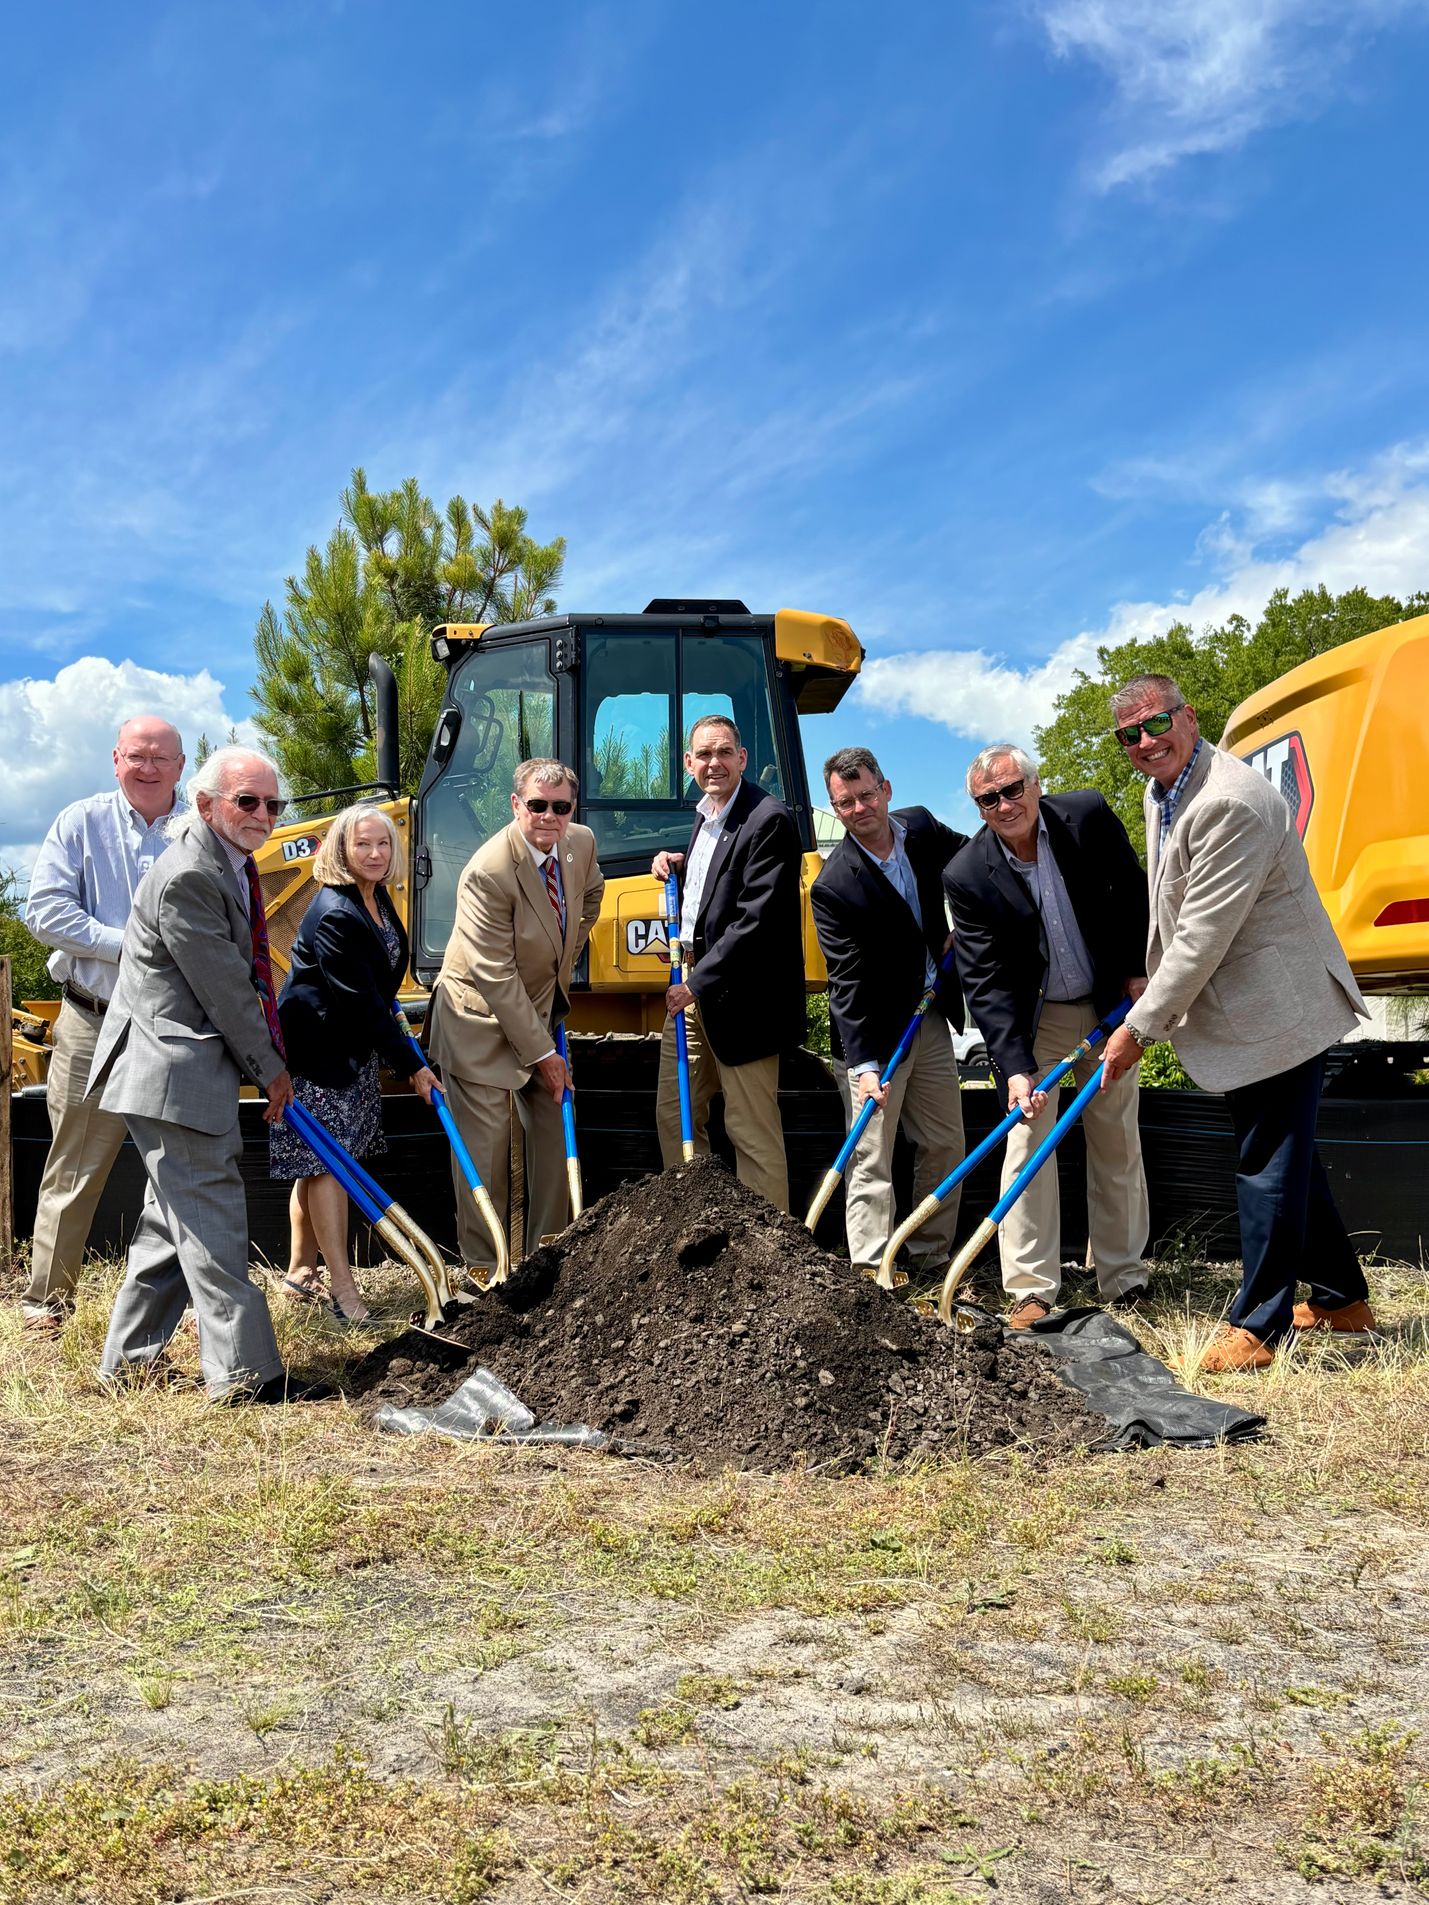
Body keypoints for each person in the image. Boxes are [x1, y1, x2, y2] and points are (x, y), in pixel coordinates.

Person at [1100, 675, 1374, 1372]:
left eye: (1155, 723)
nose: (1144, 741)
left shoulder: (1228, 800)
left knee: (1264, 1163)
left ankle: (1258, 1325)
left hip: (1277, 1005)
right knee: (1287, 1158)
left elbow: (1200, 935)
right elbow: (1172, 904)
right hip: (1245, 1003)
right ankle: (1342, 1299)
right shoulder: (1161, 788)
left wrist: (1140, 1026)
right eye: (1128, 734)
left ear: (1188, 717)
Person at [87, 746, 330, 1403]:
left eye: (272, 803)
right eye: (246, 801)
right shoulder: (190, 874)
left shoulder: (227, 863)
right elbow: (226, 990)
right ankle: (248, 1378)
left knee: (171, 1227)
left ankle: (126, 1366)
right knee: (214, 1225)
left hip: (170, 1072)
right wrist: (272, 1071)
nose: (262, 814)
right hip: (175, 1073)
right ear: (204, 804)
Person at [944, 745, 1151, 1326]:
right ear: (977, 807)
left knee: (1116, 1136)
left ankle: (1124, 1275)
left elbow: (1133, 890)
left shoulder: (1085, 816)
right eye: (989, 798)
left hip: (1109, 1003)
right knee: (1028, 1141)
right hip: (1041, 1020)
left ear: (1036, 785)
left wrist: (1137, 971)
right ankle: (1032, 1287)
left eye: (1013, 789)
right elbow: (983, 979)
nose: (1005, 805)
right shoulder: (966, 873)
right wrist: (1012, 1065)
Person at [19, 717, 187, 1333]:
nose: (148, 768)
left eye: (161, 758)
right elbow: (44, 911)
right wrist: (130, 944)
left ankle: (183, 1306)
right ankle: (47, 1301)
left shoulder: (198, 829)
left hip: (174, 1026)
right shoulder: (80, 822)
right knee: (75, 1166)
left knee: (183, 1170)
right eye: (136, 756)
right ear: (115, 759)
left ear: (182, 764)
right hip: (94, 1021)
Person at [427, 758, 604, 1264]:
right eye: (537, 806)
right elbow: (496, 978)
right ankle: (488, 1274)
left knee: (553, 1138)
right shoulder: (488, 872)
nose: (549, 816)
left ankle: (548, 1261)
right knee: (486, 1159)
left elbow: (591, 895)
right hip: (478, 1021)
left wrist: (560, 959)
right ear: (515, 805)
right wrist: (546, 1054)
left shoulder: (580, 843)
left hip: (536, 1011)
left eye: (561, 807)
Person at [270, 804, 439, 1323]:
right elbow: (363, 1005)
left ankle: (300, 1272)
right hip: (320, 1053)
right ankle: (344, 1294)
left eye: (383, 844)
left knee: (319, 1162)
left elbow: (378, 988)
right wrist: (413, 1065)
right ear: (341, 849)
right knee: (330, 1167)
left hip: (351, 1047)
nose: (375, 853)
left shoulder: (376, 898)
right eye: (363, 844)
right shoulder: (336, 913)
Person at [810, 746, 969, 1278]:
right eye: (844, 802)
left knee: (945, 1142)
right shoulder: (834, 885)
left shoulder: (920, 829)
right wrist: (864, 1064)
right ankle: (871, 1269)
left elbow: (974, 864)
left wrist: (962, 933)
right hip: (873, 1035)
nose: (858, 808)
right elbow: (847, 980)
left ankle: (928, 1255)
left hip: (928, 1018)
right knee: (871, 1157)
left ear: (886, 790)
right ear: (835, 808)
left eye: (865, 795)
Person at [650, 714, 804, 1211]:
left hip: (742, 999)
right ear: (689, 763)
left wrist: (695, 983)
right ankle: (692, 1230)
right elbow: (718, 880)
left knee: (751, 1132)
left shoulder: (768, 819)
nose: (713, 763)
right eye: (703, 755)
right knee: (676, 1116)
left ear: (742, 758)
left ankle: (769, 1260)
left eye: (723, 753)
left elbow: (756, 921)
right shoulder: (709, 814)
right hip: (697, 988)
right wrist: (679, 862)